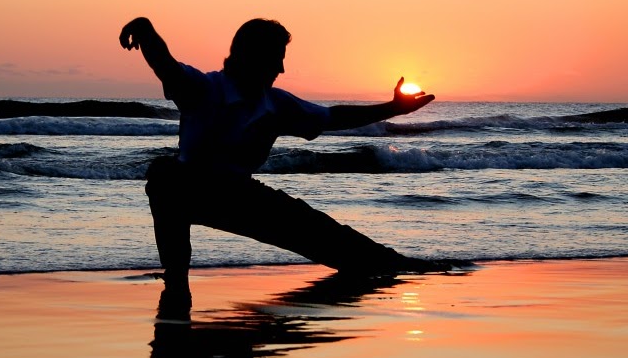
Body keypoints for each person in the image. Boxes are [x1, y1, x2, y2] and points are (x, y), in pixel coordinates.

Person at [120, 17, 462, 280]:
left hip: (240, 195)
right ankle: (175, 277)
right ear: (251, 58)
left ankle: (396, 264)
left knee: (336, 241)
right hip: (190, 187)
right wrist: (147, 31)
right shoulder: (204, 88)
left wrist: (392, 108)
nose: (281, 69)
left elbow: (331, 117)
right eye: (276, 60)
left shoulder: (277, 104)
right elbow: (166, 65)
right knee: (165, 175)